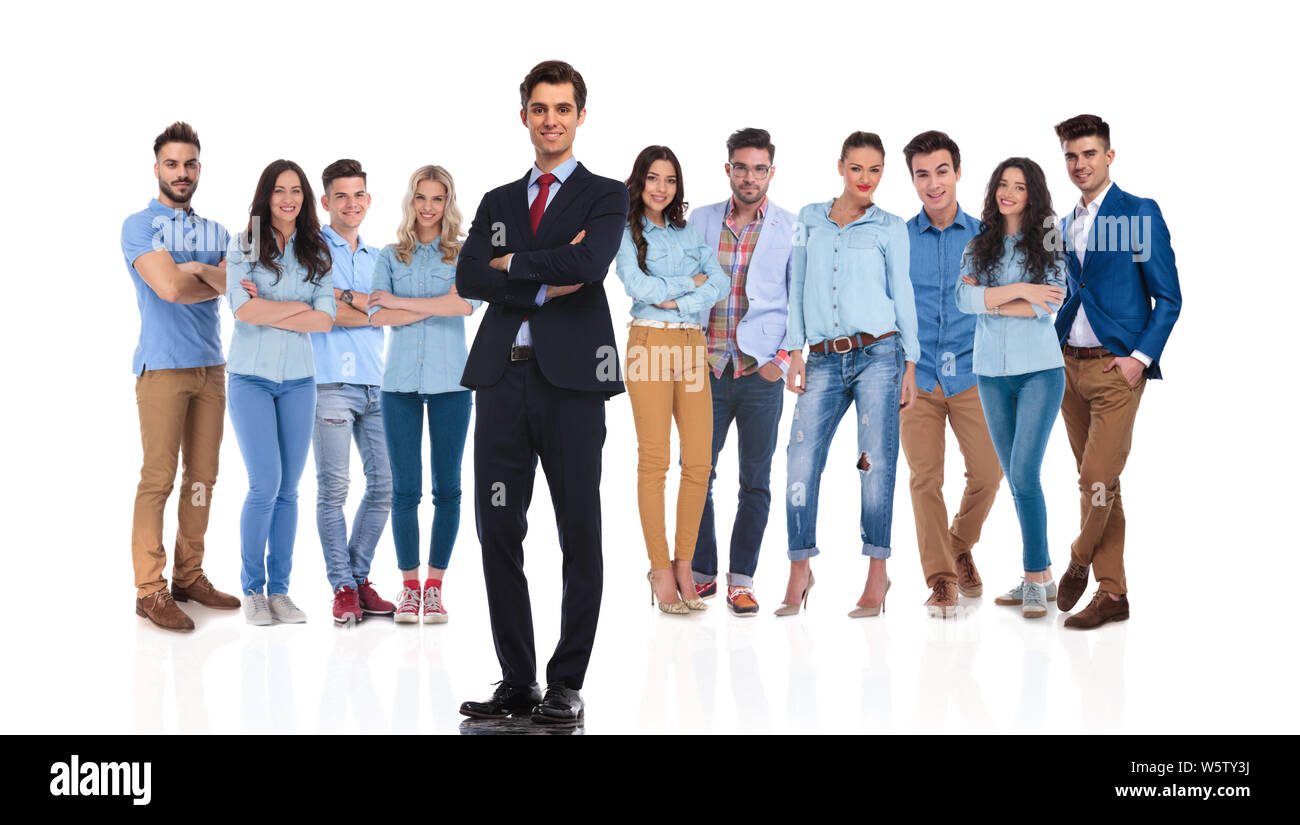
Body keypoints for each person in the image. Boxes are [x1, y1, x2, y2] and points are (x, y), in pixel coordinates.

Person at [455, 61, 629, 726]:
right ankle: (518, 680)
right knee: (498, 526)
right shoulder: (499, 201)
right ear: (523, 115)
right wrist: (538, 276)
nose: (550, 118)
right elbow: (471, 275)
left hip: (573, 384)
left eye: (562, 107)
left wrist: (514, 265)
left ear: (580, 115)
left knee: (578, 528)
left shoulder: (605, 195)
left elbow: (590, 265)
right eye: (539, 107)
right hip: (500, 378)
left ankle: (567, 680)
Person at [780, 131, 919, 618]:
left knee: (874, 463)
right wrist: (792, 349)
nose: (866, 178)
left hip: (880, 355)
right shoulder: (808, 219)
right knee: (800, 459)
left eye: (875, 170)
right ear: (841, 166)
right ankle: (800, 567)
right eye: (857, 168)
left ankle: (877, 574)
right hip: (819, 357)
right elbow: (796, 282)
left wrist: (911, 363)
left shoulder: (891, 227)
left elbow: (902, 293)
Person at [1051, 114, 1181, 629]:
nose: (1079, 164)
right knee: (1105, 484)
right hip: (1068, 369)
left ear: (1109, 156)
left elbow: (1168, 297)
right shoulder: (1063, 225)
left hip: (1115, 371)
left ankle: (1080, 558)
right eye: (1070, 156)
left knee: (1094, 477)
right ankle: (1114, 593)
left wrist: (1139, 360)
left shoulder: (1139, 214)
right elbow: (1069, 295)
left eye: (1088, 154)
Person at [123, 121, 240, 631]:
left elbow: (240, 286)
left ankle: (188, 575)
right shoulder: (139, 226)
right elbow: (169, 288)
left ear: (199, 168)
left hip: (210, 369)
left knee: (202, 480)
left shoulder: (215, 232)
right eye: (172, 164)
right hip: (163, 369)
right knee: (159, 479)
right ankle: (150, 590)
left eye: (190, 163)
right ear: (157, 169)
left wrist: (199, 269)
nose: (182, 172)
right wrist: (200, 275)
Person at [687, 127, 797, 617]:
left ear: (770, 172)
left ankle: (743, 580)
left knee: (755, 481)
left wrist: (780, 363)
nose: (749, 176)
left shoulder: (791, 227)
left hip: (759, 375)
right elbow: (685, 285)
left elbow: (800, 301)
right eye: (740, 166)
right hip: (707, 368)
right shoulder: (701, 220)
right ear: (727, 168)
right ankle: (704, 572)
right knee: (698, 474)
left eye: (759, 168)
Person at [614, 145, 728, 615]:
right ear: (640, 180)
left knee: (699, 462)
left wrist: (675, 298)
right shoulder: (623, 232)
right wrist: (691, 287)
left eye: (671, 180)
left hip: (691, 345)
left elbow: (718, 282)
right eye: (654, 178)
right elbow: (637, 287)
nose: (662, 188)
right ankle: (659, 568)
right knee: (655, 461)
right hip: (649, 345)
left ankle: (685, 565)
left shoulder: (687, 233)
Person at [225, 159, 336, 626]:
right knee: (264, 484)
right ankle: (252, 590)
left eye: (295, 190)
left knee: (289, 489)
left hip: (298, 380)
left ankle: (280, 591)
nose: (288, 198)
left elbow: (326, 318)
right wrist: (297, 308)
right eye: (278, 190)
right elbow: (240, 311)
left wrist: (269, 305)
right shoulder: (245, 243)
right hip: (250, 377)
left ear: (305, 198)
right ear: (266, 197)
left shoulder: (318, 251)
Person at [955, 158, 1067, 619]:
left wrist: (991, 301)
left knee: (1024, 475)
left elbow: (1051, 303)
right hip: (990, 375)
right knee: (1016, 479)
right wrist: (1021, 289)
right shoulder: (977, 243)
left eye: (1019, 187)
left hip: (1040, 371)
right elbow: (963, 300)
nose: (1008, 192)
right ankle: (1040, 579)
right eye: (1003, 184)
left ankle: (1036, 577)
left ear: (1031, 194)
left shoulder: (1049, 237)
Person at [368, 165, 480, 625]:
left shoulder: (465, 253)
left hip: (453, 383)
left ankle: (435, 588)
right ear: (410, 201)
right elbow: (375, 315)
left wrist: (403, 303)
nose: (429, 207)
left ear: (447, 202)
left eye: (438, 199)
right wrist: (432, 305)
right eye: (421, 198)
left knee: (448, 489)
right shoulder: (391, 255)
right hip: (399, 388)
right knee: (405, 491)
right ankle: (409, 587)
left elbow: (466, 305)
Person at [900, 130, 1003, 619]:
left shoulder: (987, 237)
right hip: (916, 378)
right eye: (923, 174)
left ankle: (959, 544)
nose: (933, 183)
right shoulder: (898, 240)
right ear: (914, 180)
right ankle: (941, 578)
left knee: (989, 470)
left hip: (971, 373)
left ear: (957, 173)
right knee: (925, 480)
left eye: (942, 171)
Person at [310, 159, 394, 625]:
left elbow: (394, 310)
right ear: (325, 202)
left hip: (378, 383)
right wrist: (366, 306)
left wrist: (348, 298)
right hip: (330, 385)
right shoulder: (312, 252)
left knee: (386, 485)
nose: (351, 203)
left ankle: (359, 578)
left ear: (368, 199)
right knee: (335, 488)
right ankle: (341, 585)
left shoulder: (381, 256)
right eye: (341, 195)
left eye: (358, 194)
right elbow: (324, 312)